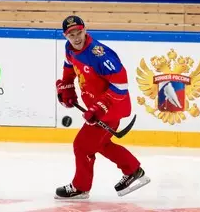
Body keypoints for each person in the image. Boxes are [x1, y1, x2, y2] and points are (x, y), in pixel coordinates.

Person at [54, 15, 150, 199]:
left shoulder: (99, 54)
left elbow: (121, 84)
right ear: (65, 36)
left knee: (82, 146)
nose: (76, 37)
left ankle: (80, 187)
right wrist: (67, 88)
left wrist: (100, 107)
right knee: (102, 144)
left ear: (85, 30)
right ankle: (134, 171)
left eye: (79, 32)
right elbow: (69, 68)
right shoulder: (70, 49)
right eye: (71, 34)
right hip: (97, 108)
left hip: (111, 108)